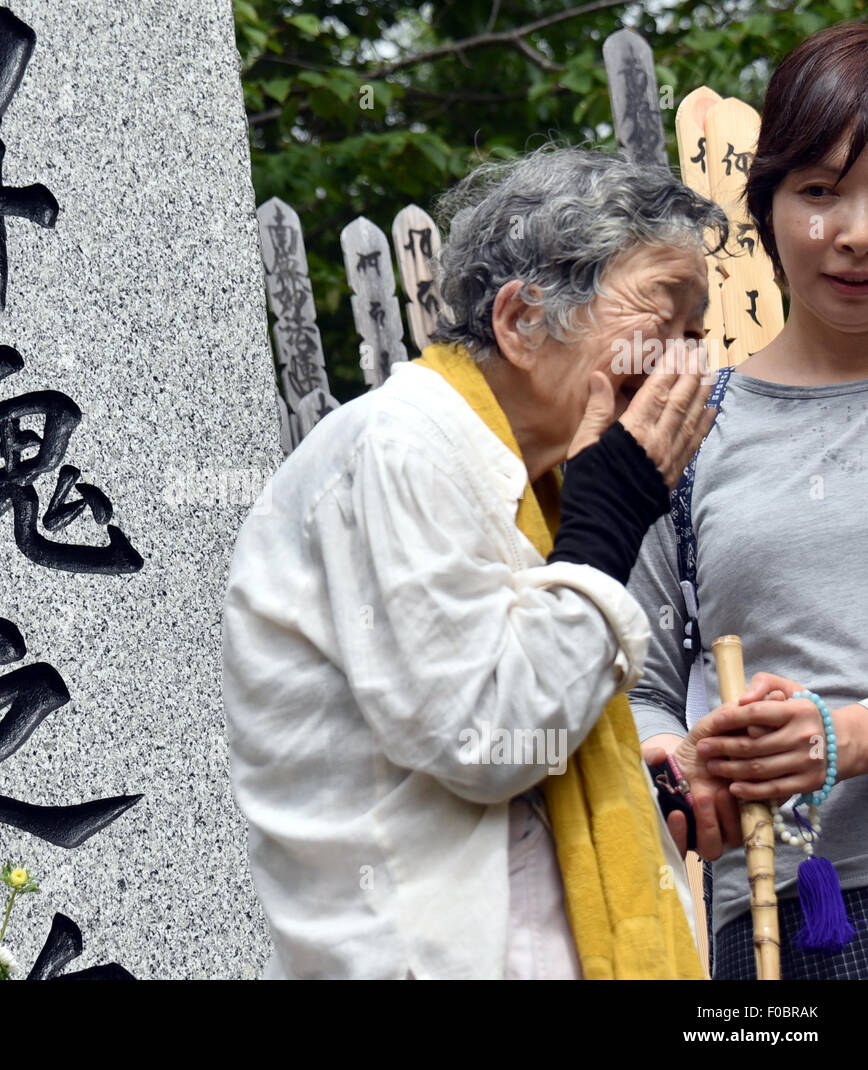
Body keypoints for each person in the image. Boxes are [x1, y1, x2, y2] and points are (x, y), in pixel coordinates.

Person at [222, 144, 726, 979]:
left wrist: (640, 771)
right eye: (659, 327)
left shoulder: (545, 479)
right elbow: (488, 739)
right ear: (522, 321)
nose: (680, 368)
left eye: (695, 337)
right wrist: (606, 531)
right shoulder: (399, 450)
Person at [628, 21, 868, 980]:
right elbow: (638, 682)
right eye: (819, 191)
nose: (855, 231)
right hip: (780, 923)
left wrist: (842, 735)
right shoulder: (690, 423)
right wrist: (680, 768)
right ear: (765, 207)